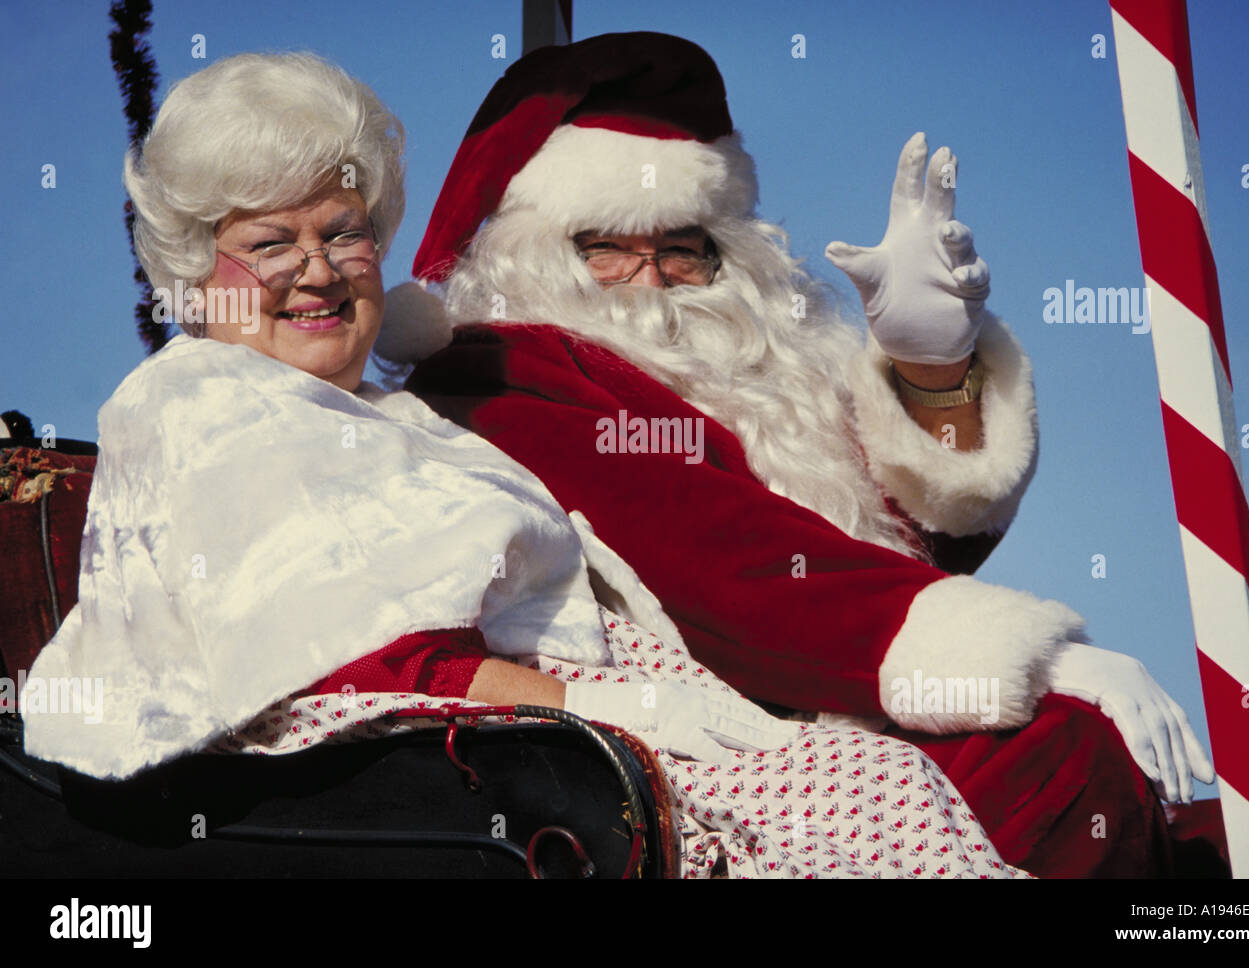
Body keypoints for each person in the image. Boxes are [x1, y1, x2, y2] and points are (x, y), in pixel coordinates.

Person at [20, 51, 1027, 879]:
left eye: (344, 232)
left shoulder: (378, 409)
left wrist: (935, 369)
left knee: (886, 783)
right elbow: (354, 653)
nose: (319, 269)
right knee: (878, 792)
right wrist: (623, 706)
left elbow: (899, 533)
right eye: (271, 244)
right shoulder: (210, 403)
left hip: (609, 727)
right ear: (198, 273)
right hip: (506, 758)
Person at [387, 32, 1218, 877]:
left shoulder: (766, 379)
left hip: (828, 701)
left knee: (1207, 837)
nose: (651, 280)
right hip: (687, 736)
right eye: (605, 248)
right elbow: (722, 563)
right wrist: (1044, 659)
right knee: (1062, 763)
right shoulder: (509, 369)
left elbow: (917, 550)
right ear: (535, 254)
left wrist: (934, 370)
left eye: (682, 248)